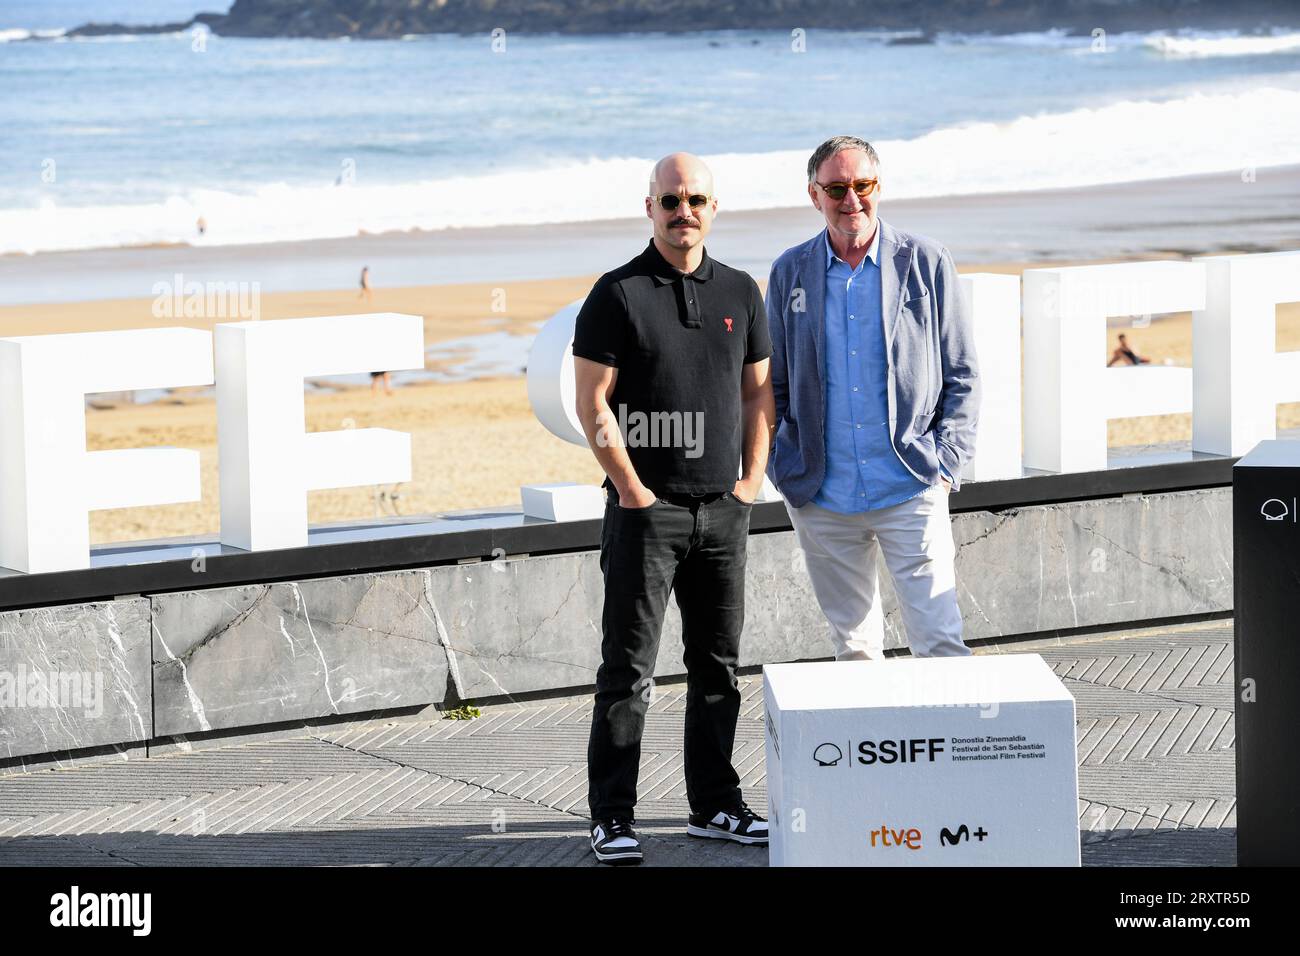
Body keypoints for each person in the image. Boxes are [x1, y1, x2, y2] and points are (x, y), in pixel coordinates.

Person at [572, 152, 775, 865]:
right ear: (649, 207)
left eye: (695, 200)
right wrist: (631, 489)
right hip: (644, 515)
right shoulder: (617, 293)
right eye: (670, 200)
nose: (682, 211)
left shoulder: (743, 291)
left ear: (713, 209)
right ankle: (612, 816)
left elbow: (757, 393)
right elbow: (591, 402)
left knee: (718, 667)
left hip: (724, 511)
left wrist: (752, 481)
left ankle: (715, 806)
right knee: (627, 671)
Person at [765, 135, 980, 662]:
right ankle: (878, 747)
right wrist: (781, 466)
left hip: (910, 483)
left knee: (939, 642)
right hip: (822, 495)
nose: (851, 200)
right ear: (814, 195)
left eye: (862, 185)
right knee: (854, 650)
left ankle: (952, 745)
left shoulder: (925, 261)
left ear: (878, 187)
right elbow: (774, 384)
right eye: (836, 188)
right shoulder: (790, 270)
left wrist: (947, 462)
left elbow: (963, 371)